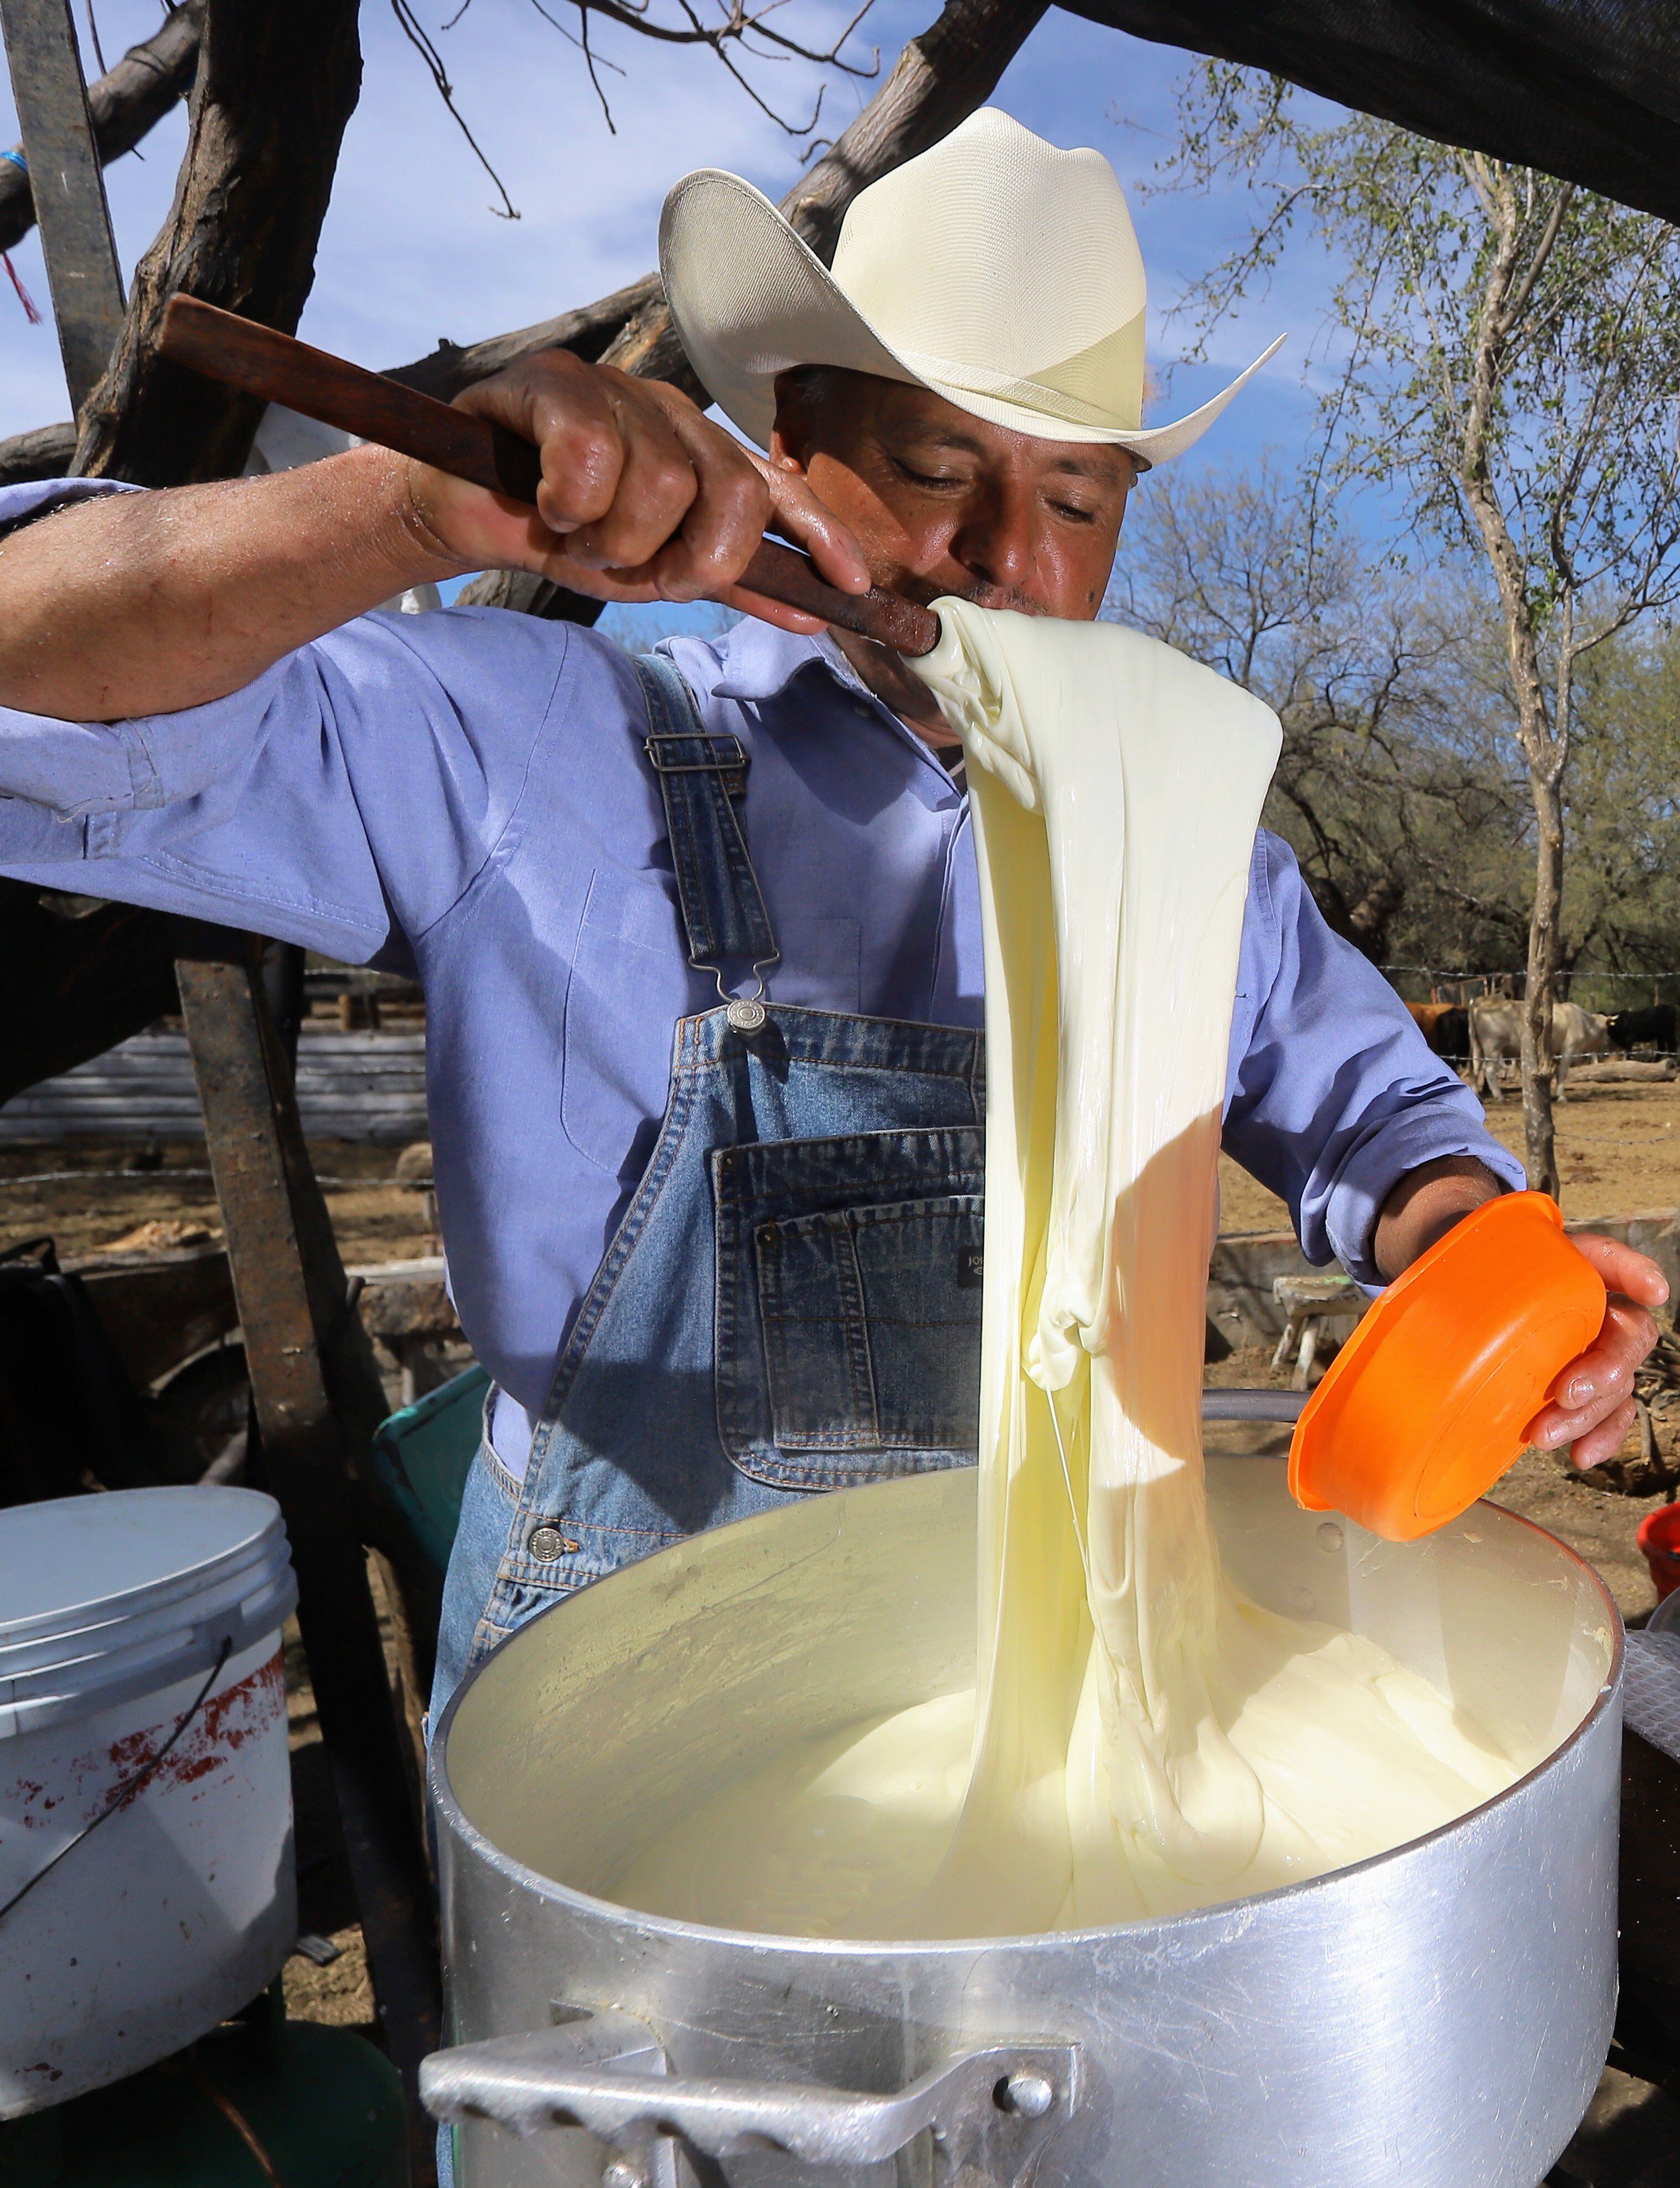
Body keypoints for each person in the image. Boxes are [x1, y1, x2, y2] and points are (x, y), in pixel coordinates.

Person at [0, 112, 1662, 1729]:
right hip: (636, 1699)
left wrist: (1472, 1259)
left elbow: (1380, 1120)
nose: (1004, 559)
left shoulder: (1182, 845)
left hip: (1067, 1664)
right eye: (937, 468)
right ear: (788, 441)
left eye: (1077, 503)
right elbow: (31, 692)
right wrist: (407, 515)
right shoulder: (544, 745)